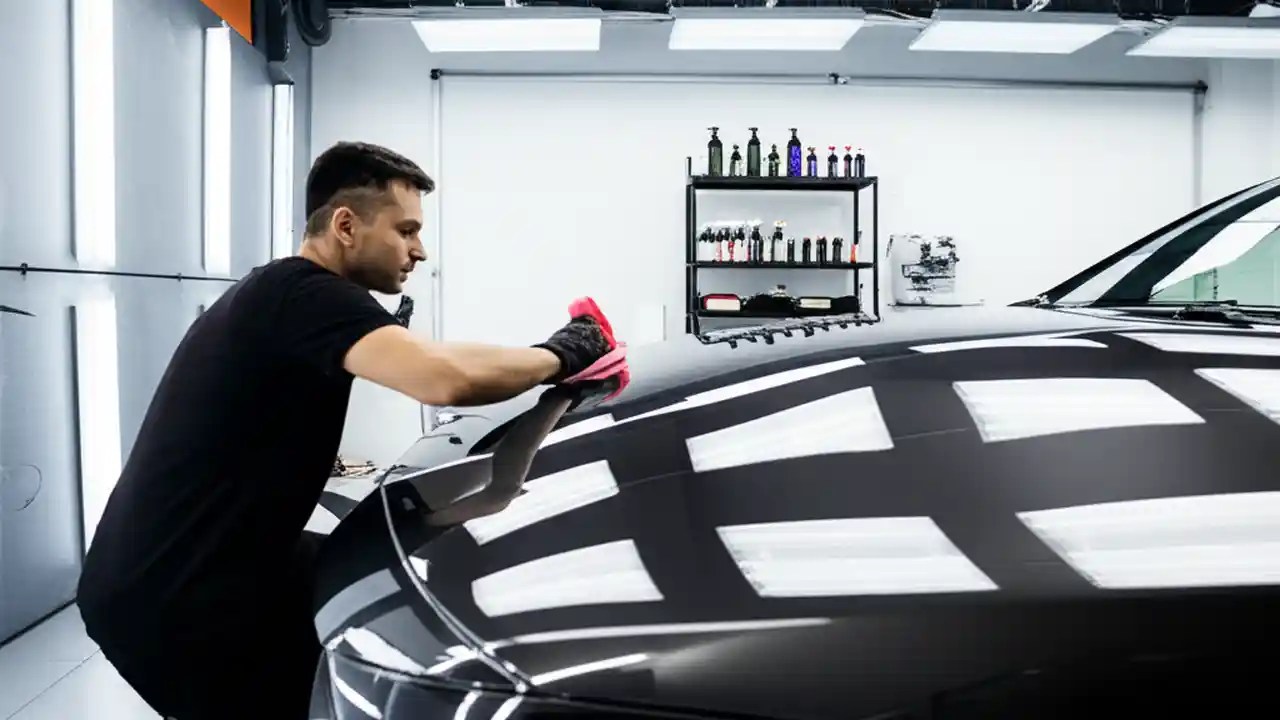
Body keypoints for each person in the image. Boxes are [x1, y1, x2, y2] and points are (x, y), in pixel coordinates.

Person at [76, 141, 614, 719]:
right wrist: (563, 352)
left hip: (225, 561)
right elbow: (446, 378)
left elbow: (438, 361)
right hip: (170, 593)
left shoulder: (283, 292)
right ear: (346, 225)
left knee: (366, 581)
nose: (419, 250)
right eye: (405, 231)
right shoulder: (301, 294)